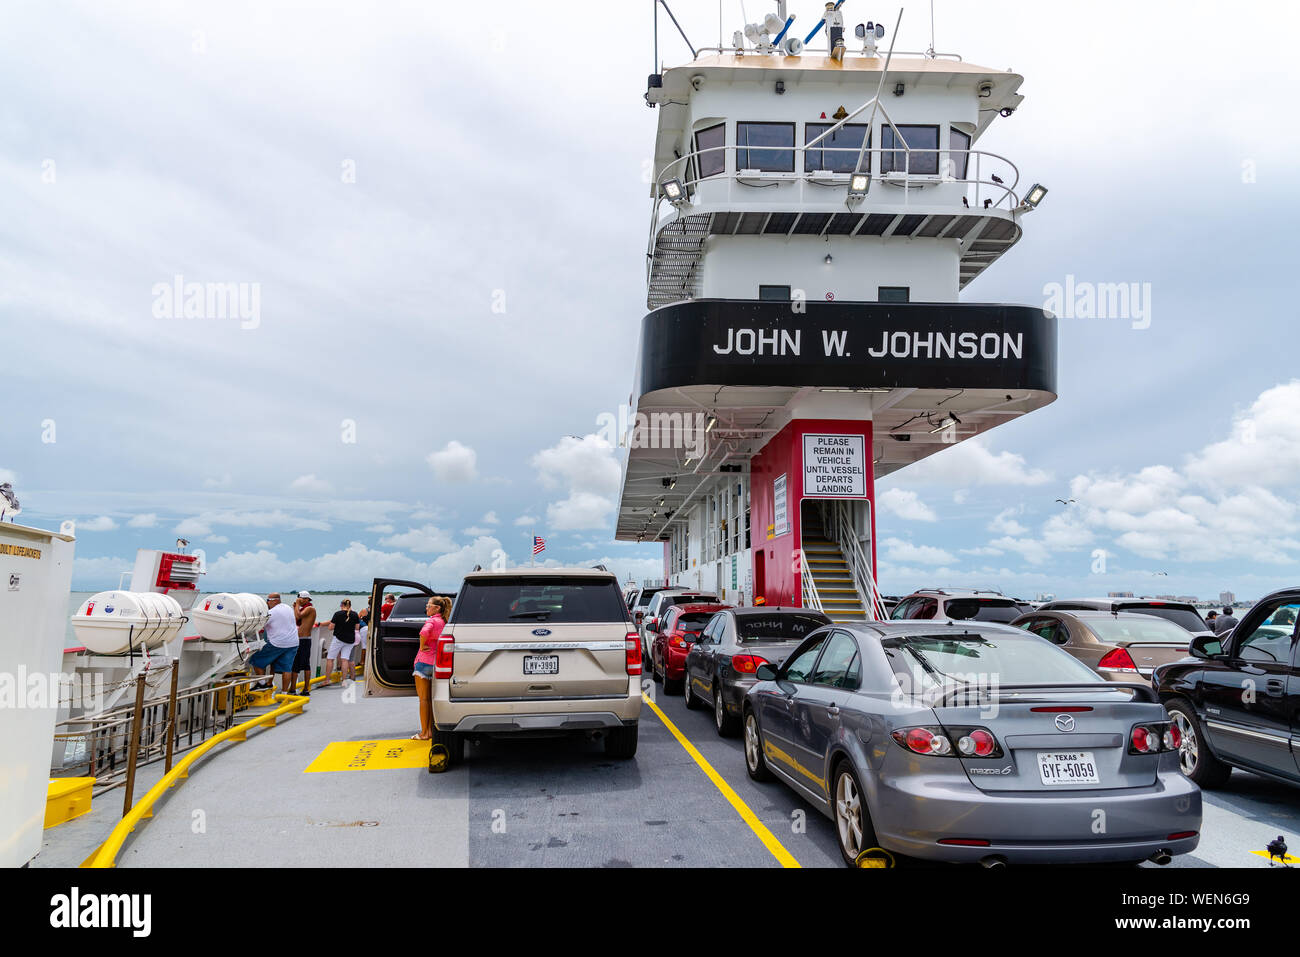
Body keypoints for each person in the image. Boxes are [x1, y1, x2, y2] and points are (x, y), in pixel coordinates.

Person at [412, 595, 452, 740]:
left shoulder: (432, 621)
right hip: (437, 665)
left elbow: (423, 632)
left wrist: (422, 646)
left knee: (424, 700)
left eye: (429, 606)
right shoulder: (444, 621)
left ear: (437, 608)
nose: (426, 608)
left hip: (423, 664)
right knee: (433, 699)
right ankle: (432, 730)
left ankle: (424, 733)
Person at [249, 593, 299, 693]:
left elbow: (259, 626)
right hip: (293, 642)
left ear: (275, 600)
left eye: (268, 600)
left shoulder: (271, 613)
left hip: (278, 643)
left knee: (255, 660)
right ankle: (284, 693)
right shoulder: (287, 607)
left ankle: (262, 684)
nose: (267, 602)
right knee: (287, 669)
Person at [323, 599, 361, 684]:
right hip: (350, 640)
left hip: (338, 639)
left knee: (330, 659)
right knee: (345, 660)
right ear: (350, 605)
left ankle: (327, 680)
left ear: (341, 605)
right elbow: (357, 628)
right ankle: (344, 680)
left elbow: (330, 627)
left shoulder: (337, 614)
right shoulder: (355, 614)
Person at [291, 591, 318, 695]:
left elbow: (298, 616)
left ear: (306, 599)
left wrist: (297, 605)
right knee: (295, 665)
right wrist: (296, 607)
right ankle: (292, 688)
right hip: (299, 639)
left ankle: (306, 688)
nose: (299, 600)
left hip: (304, 640)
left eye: (300, 599)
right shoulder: (304, 608)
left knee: (305, 665)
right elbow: (295, 619)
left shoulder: (310, 609)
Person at [353, 606, 369, 674]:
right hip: (366, 628)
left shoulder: (353, 618)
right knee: (366, 646)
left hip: (363, 629)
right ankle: (365, 661)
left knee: (364, 646)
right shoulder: (356, 618)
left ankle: (362, 661)